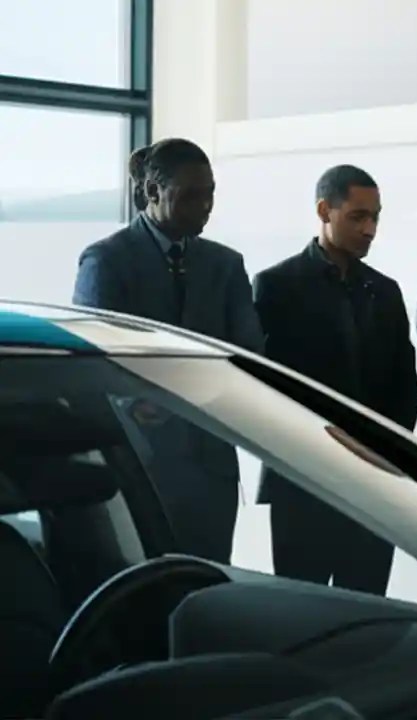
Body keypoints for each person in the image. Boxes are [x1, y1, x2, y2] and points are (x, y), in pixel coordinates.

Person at [72, 138, 263, 563]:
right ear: (152, 192)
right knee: (144, 586)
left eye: (211, 192)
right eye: (193, 194)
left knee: (211, 582)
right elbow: (92, 363)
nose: (206, 205)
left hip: (211, 461)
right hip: (140, 463)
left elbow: (248, 354)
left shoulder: (225, 265)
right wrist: (137, 401)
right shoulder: (107, 261)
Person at [252, 165, 417, 595]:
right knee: (301, 613)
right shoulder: (276, 286)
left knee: (369, 613)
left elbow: (407, 387)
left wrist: (382, 453)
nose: (370, 229)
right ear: (324, 211)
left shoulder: (385, 292)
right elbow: (267, 388)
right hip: (304, 480)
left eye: (375, 217)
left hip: (374, 481)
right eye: (358, 217)